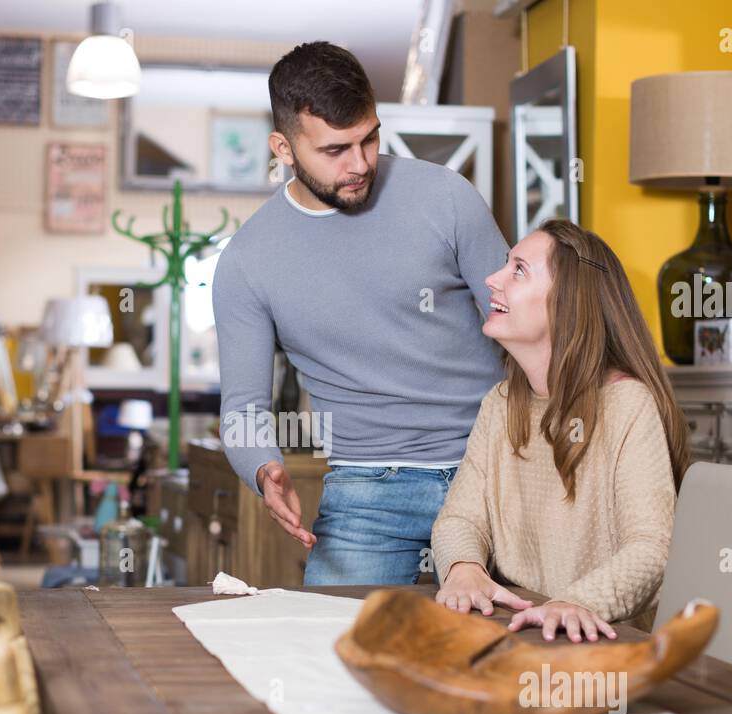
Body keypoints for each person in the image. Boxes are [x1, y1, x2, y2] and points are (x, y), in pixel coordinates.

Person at [212, 41, 508, 585]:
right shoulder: (247, 261)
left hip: (495, 470)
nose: (361, 164)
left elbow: (526, 326)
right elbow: (243, 408)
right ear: (283, 147)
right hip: (369, 493)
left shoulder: (446, 196)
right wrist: (263, 468)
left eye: (369, 138)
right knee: (328, 649)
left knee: (518, 652)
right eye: (334, 150)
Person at [431, 219, 689, 641]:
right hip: (517, 632)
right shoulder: (501, 404)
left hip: (597, 640)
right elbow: (460, 518)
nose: (492, 280)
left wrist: (576, 603)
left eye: (518, 270)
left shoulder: (627, 405)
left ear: (565, 303)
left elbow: (652, 550)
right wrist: (464, 570)